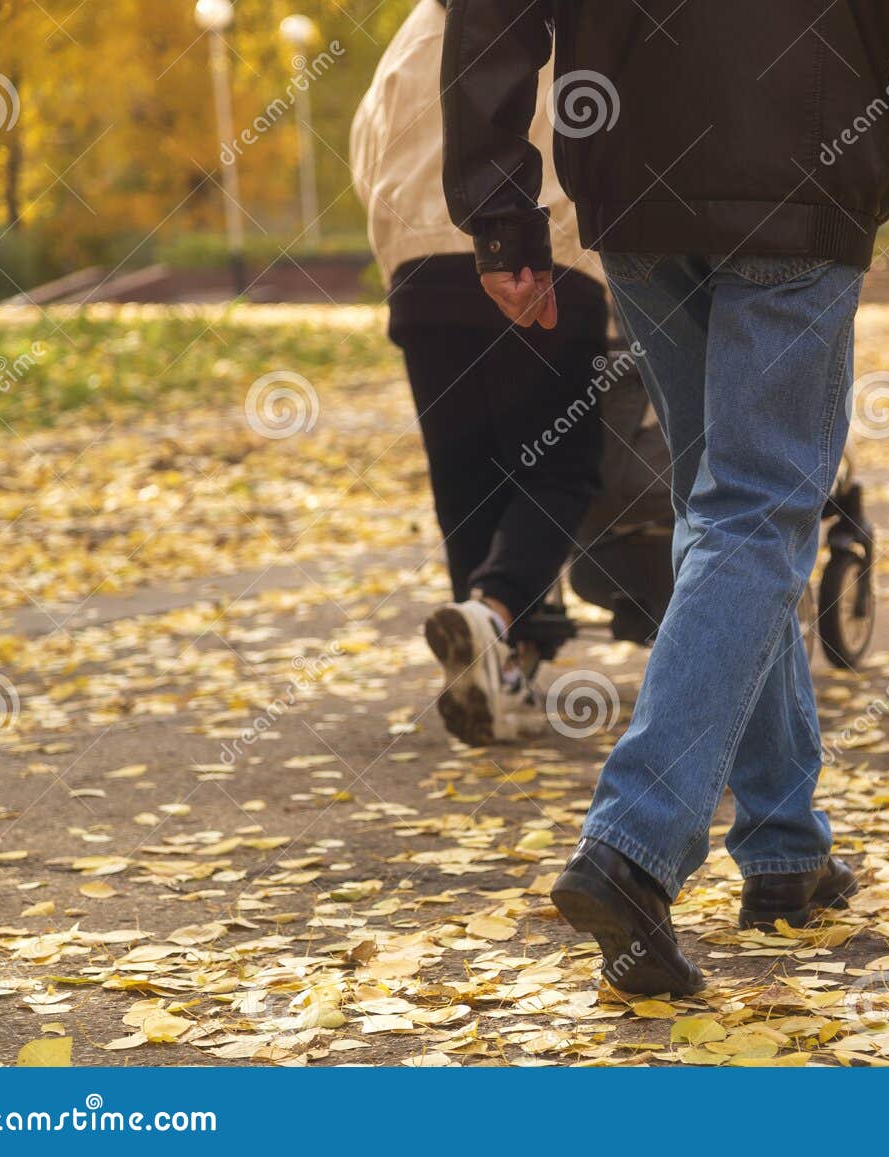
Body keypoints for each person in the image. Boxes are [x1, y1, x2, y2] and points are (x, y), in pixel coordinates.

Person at [442, 0, 889, 995]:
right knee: (754, 511)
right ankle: (634, 844)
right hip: (804, 169)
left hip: (634, 179)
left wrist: (497, 205)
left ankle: (784, 847)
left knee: (725, 512)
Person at [351, 0, 609, 746]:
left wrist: (403, 251)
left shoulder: (407, 43)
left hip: (420, 277)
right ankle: (492, 614)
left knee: (464, 484)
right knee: (558, 467)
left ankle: (496, 670)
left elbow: (367, 153)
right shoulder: (556, 29)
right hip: (543, 259)